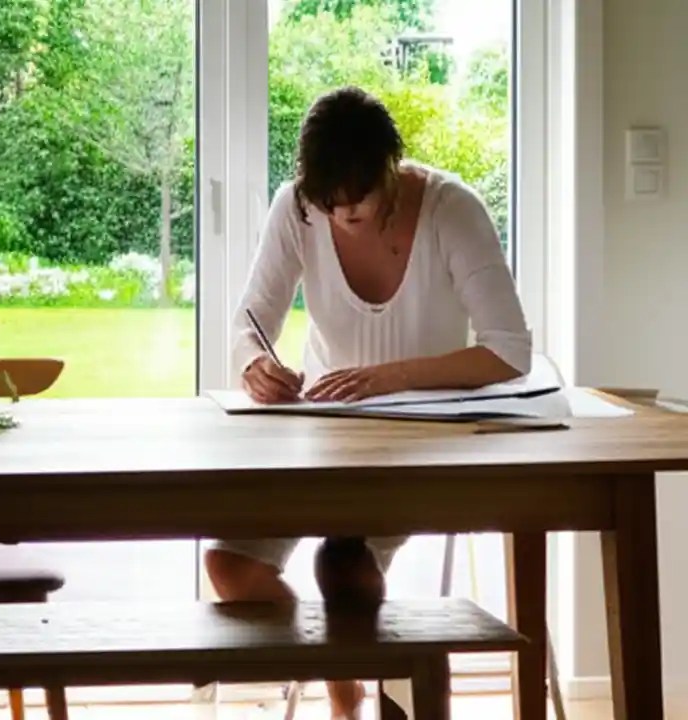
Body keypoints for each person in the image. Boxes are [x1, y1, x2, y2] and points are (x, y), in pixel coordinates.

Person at [208, 86, 531, 719]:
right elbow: (250, 321)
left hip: (421, 439)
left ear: (390, 170)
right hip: (319, 435)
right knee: (229, 565)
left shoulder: (451, 210)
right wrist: (255, 363)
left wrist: (390, 377)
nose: (341, 217)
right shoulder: (298, 208)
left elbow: (509, 350)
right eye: (328, 205)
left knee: (343, 562)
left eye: (357, 205)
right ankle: (352, 684)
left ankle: (356, 702)